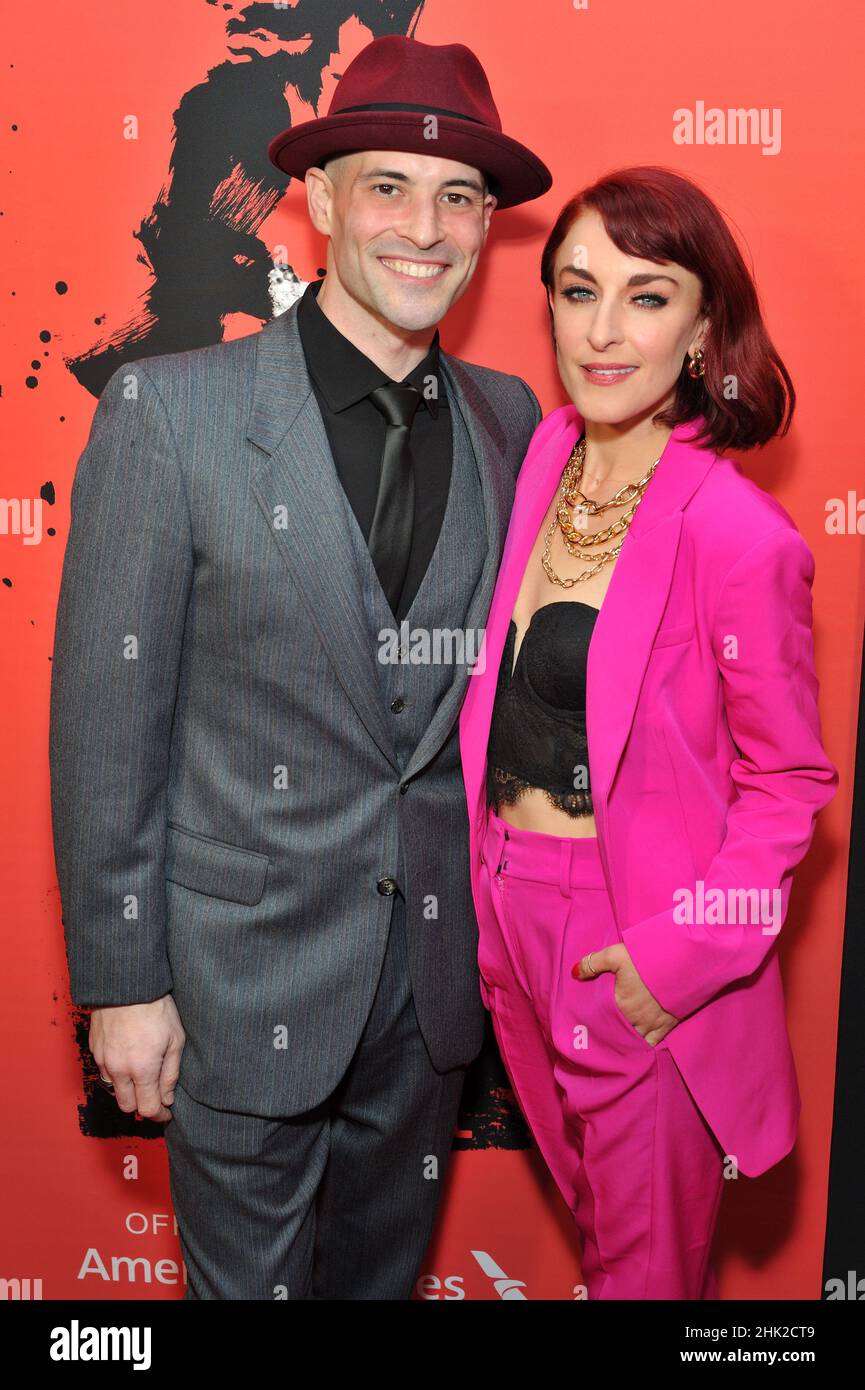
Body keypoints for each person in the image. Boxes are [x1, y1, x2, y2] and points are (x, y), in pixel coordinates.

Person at [48, 35, 552, 1300]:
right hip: (237, 979)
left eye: (458, 199)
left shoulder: (510, 420)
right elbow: (110, 721)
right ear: (320, 203)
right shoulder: (171, 412)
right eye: (387, 187)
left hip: (432, 1001)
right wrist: (123, 986)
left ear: (487, 225)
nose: (424, 229)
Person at [459, 165, 839, 1300]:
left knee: (642, 1280)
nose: (603, 330)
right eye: (578, 292)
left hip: (634, 942)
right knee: (603, 1251)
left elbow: (789, 783)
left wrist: (672, 965)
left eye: (646, 295)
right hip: (507, 918)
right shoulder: (542, 461)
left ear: (702, 328)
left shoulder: (735, 533)